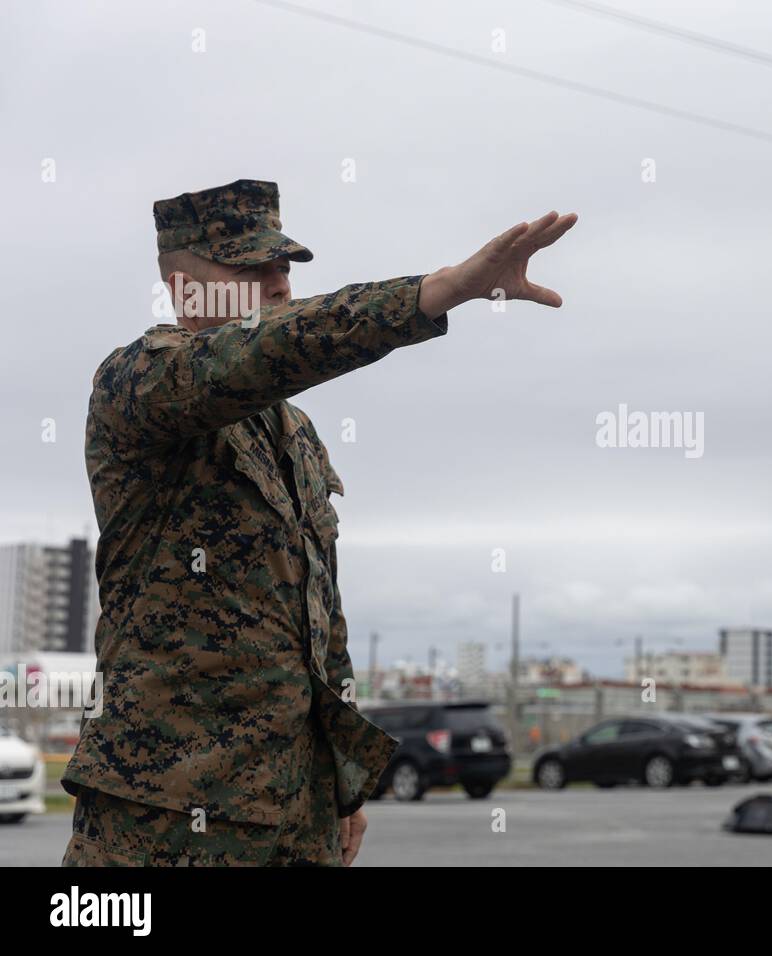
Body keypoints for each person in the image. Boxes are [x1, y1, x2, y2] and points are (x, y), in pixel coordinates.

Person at [62, 178, 577, 865]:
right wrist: (442, 288)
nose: (279, 285)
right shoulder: (139, 385)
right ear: (185, 287)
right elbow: (272, 350)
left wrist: (342, 787)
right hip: (166, 815)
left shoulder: (292, 431)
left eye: (283, 268)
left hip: (294, 809)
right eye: (251, 269)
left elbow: (319, 621)